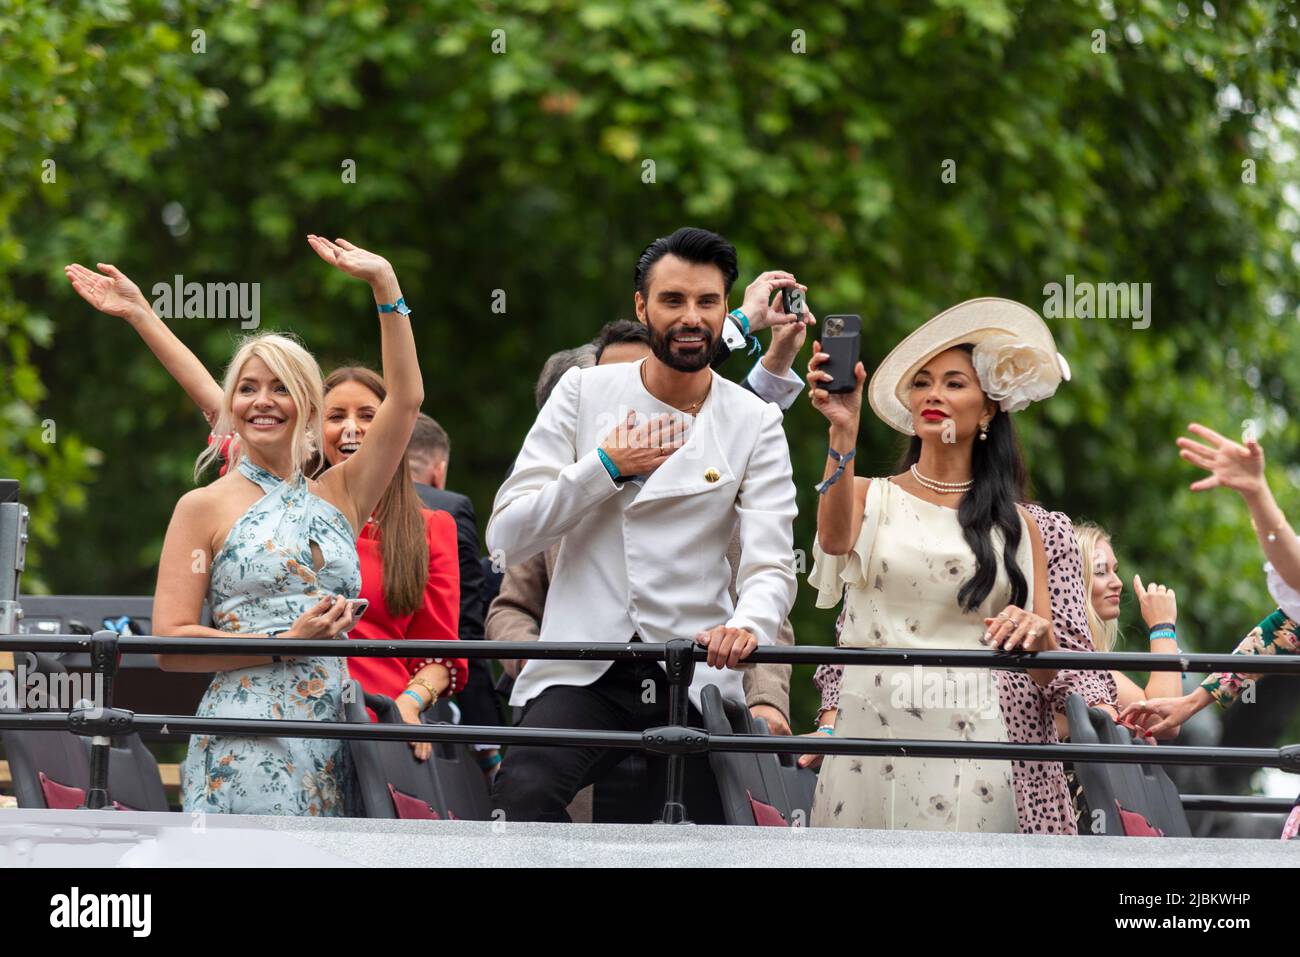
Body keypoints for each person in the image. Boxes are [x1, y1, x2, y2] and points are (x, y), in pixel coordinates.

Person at [64, 237, 424, 814]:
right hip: (245, 736)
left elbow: (405, 400)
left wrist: (386, 285)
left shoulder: (343, 491)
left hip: (335, 734)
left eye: (280, 387)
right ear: (232, 405)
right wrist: (284, 645)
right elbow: (171, 645)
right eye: (248, 389)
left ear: (306, 401)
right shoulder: (204, 504)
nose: (263, 401)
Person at [485, 226, 799, 823]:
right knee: (523, 793)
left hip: (691, 666)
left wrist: (748, 626)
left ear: (725, 308)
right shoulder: (582, 390)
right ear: (641, 307)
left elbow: (770, 560)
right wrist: (604, 467)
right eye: (672, 301)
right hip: (586, 663)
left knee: (708, 835)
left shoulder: (754, 420)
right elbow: (507, 536)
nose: (691, 318)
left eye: (707, 302)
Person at [807, 297, 1072, 833]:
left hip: (971, 739)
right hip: (868, 733)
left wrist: (1038, 633)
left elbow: (1048, 672)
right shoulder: (865, 495)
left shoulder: (1022, 527)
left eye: (954, 382)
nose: (934, 394)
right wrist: (842, 427)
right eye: (923, 382)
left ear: (989, 407)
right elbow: (833, 541)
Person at [407, 412, 504, 774]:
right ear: (439, 469)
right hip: (430, 695)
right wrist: (488, 741)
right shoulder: (449, 507)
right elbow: (463, 624)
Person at [1073, 522, 1181, 737]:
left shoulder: (1085, 661)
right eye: (1100, 571)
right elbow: (1164, 720)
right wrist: (1162, 626)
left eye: (1115, 571)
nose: (1118, 583)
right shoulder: (1073, 661)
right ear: (1071, 580)